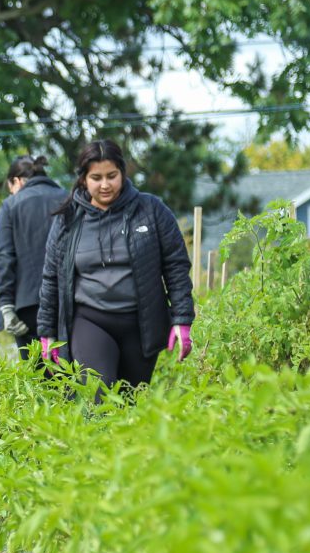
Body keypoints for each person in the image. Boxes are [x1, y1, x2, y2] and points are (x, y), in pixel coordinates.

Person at [37, 139, 195, 395]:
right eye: (96, 177)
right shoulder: (68, 220)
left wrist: (182, 319)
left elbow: (176, 266)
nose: (105, 184)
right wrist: (47, 331)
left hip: (140, 325)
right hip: (90, 320)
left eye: (112, 176)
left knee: (128, 401)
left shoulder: (151, 210)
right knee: (100, 396)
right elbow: (51, 277)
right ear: (83, 180)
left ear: (123, 173)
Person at [0, 154, 64, 358]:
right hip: (67, 301)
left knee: (38, 378)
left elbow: (4, 257)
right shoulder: (69, 198)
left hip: (28, 306)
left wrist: (6, 306)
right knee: (72, 375)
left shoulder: (10, 205)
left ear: (16, 180)